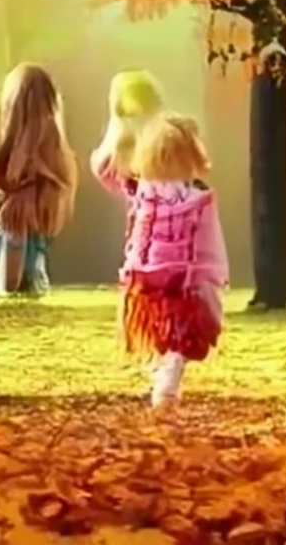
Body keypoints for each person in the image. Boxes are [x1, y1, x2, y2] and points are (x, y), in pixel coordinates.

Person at [93, 109, 229, 407]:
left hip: (147, 278)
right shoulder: (199, 198)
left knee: (162, 333)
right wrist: (213, 278)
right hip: (184, 280)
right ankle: (166, 379)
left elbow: (103, 169)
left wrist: (118, 124)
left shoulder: (141, 191)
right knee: (181, 338)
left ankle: (163, 373)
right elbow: (209, 242)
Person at [0, 63, 77, 296]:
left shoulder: (16, 209)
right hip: (39, 291)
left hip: (19, 306)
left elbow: (10, 282)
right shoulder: (48, 195)